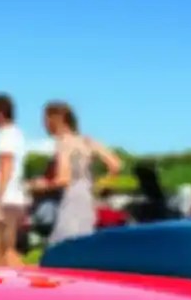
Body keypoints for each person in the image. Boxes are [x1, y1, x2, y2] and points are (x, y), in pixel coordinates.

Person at [29, 101, 122, 245]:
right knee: (84, 244)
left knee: (64, 245)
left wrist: (37, 185)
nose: (44, 124)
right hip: (87, 197)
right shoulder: (87, 141)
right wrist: (100, 185)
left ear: (55, 119)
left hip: (70, 199)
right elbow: (116, 165)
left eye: (45, 119)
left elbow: (63, 179)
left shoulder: (64, 143)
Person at [0, 93, 29, 266]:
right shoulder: (17, 133)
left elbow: (5, 167)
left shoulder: (6, 135)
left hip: (5, 200)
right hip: (14, 199)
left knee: (0, 253)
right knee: (7, 250)